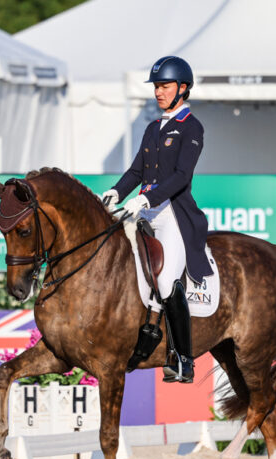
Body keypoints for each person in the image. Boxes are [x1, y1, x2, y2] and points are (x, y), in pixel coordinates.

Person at [102, 55, 212, 384]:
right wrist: (115, 193)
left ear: (182, 88)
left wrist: (147, 197)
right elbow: (137, 170)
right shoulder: (152, 128)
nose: (158, 92)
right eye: (156, 87)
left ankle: (183, 360)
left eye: (164, 86)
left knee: (166, 282)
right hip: (143, 208)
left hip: (172, 214)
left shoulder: (191, 128)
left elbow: (181, 176)